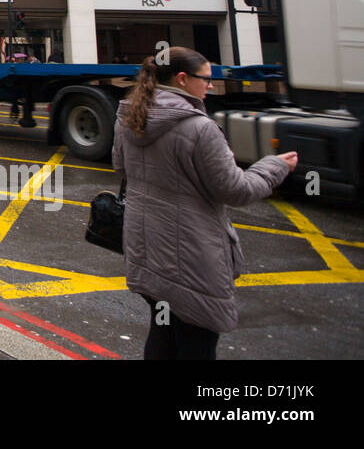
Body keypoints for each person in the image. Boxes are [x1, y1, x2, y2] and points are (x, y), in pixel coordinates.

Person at [113, 46, 297, 360]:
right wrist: (275, 166)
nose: (211, 86)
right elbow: (236, 190)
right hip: (190, 255)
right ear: (183, 79)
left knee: (163, 330)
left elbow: (121, 167)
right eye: (207, 79)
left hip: (147, 247)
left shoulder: (130, 116)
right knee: (196, 343)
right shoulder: (200, 128)